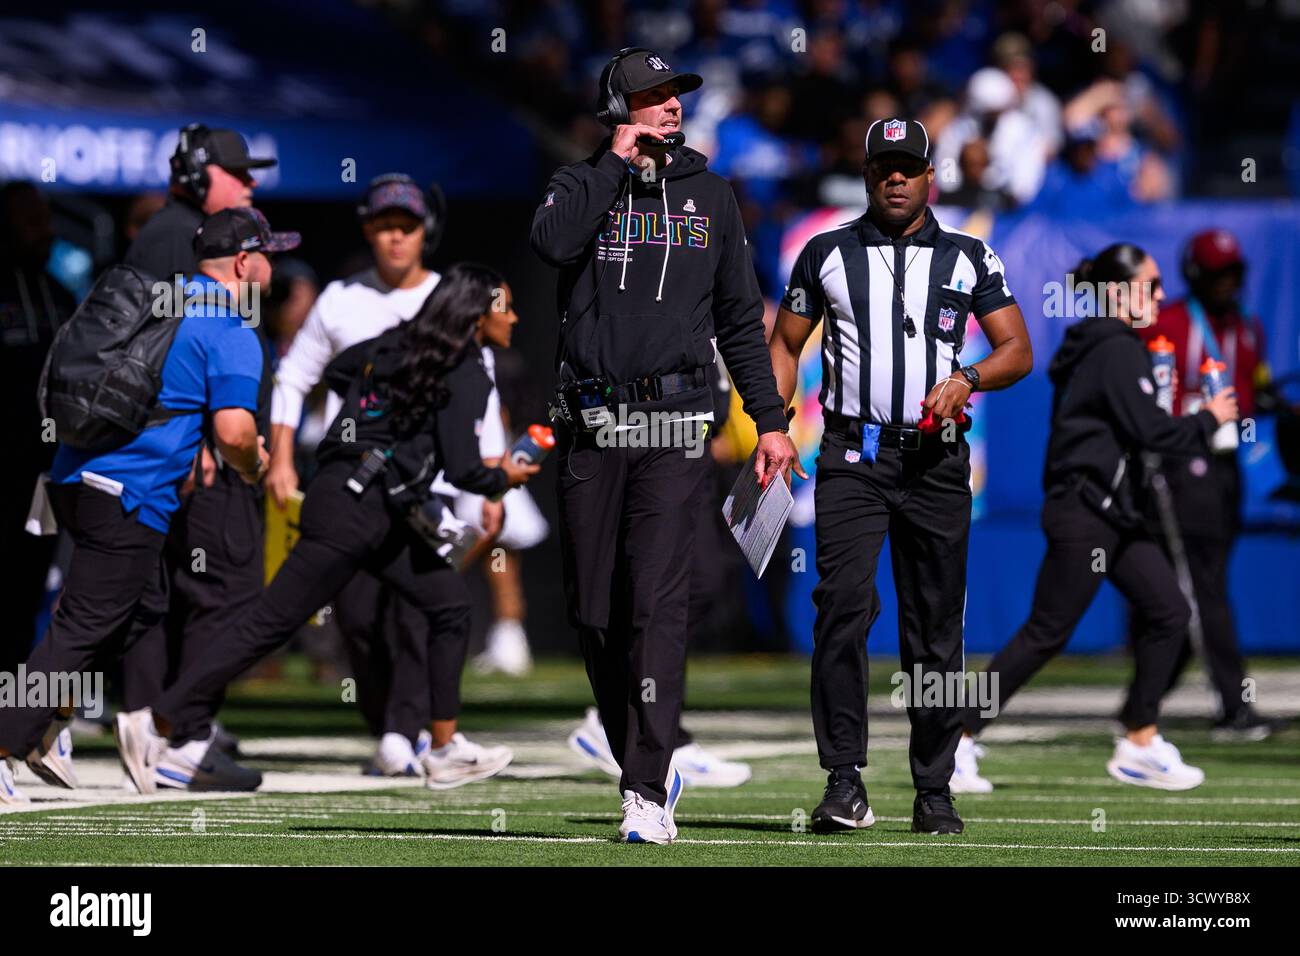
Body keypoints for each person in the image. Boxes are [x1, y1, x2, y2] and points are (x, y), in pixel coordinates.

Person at [113, 264, 538, 795]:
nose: (515, 317)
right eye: (505, 307)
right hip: (358, 510)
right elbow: (465, 471)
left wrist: (379, 421)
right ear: (477, 317)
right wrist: (507, 474)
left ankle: (445, 746)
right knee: (267, 622)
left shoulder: (394, 342)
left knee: (449, 604)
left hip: (352, 496)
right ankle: (157, 720)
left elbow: (338, 372)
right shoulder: (468, 367)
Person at [530, 47, 799, 843]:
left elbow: (740, 324)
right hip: (592, 421)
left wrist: (772, 422)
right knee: (596, 613)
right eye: (652, 95)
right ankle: (639, 758)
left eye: (676, 92)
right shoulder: (579, 184)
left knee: (656, 602)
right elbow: (551, 245)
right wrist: (617, 168)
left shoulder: (711, 194)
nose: (671, 105)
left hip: (677, 420)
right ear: (617, 107)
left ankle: (647, 789)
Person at [768, 117, 1033, 835]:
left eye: (907, 167)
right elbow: (785, 345)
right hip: (851, 456)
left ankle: (934, 787)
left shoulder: (969, 256)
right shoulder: (824, 252)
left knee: (935, 628)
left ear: (929, 177)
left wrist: (967, 377)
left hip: (936, 458)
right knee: (842, 607)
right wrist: (772, 421)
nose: (895, 177)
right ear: (866, 175)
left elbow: (1018, 349)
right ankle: (844, 778)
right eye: (883, 166)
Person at [0, 206, 284, 804]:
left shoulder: (161, 297)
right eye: (267, 253)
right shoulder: (232, 328)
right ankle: (7, 737)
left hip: (73, 479)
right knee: (81, 627)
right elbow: (235, 433)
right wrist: (256, 463)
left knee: (144, 607)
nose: (272, 266)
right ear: (242, 261)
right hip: (126, 493)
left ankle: (48, 716)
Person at [952, 242, 1239, 795]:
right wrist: (1207, 418)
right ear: (1119, 292)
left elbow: (1138, 426)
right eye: (1150, 287)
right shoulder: (1113, 348)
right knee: (1046, 632)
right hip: (1086, 512)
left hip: (1112, 512)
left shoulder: (1113, 345)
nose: (1159, 297)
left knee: (1170, 612)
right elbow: (1150, 432)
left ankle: (1138, 739)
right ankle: (955, 738)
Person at [121, 125, 278, 743]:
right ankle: (174, 729)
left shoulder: (179, 239)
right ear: (198, 173)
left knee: (157, 595)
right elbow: (150, 356)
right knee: (216, 593)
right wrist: (195, 442)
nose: (250, 183)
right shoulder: (172, 241)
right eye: (238, 173)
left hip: (183, 450)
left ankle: (161, 724)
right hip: (189, 455)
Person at [1134, 229, 1284, 740]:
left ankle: (1140, 703)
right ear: (1197, 274)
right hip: (1179, 466)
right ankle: (1232, 704)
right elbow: (1149, 400)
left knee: (1200, 587)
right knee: (1204, 588)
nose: (1229, 283)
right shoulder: (1167, 324)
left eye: (1235, 273)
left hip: (1225, 468)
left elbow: (1253, 389)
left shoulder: (1247, 327)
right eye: (1219, 274)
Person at [0, 182, 78, 677]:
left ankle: (10, 696)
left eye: (45, 220)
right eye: (30, 221)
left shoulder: (60, 296)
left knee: (28, 582)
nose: (44, 232)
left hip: (46, 474)